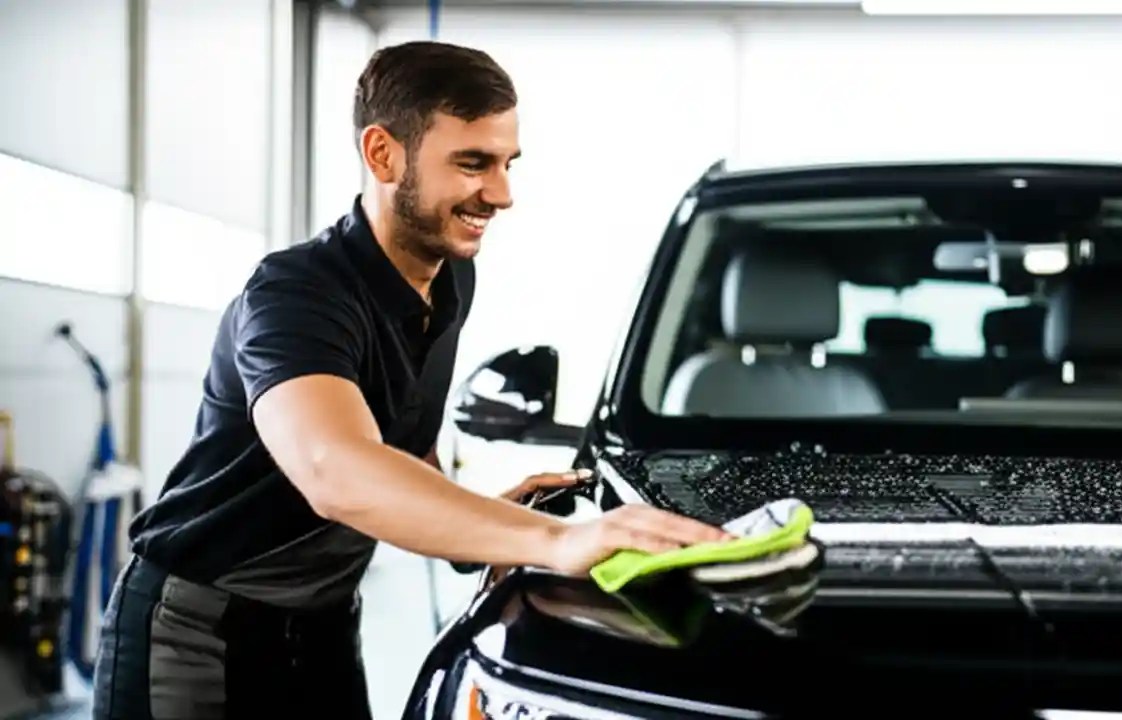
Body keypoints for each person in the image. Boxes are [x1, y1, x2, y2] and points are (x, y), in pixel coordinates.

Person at [90, 40, 730, 720]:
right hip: (199, 636)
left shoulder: (451, 277)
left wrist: (492, 519)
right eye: (473, 163)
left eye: (508, 163)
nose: (503, 194)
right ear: (382, 154)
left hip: (326, 628)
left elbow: (399, 449)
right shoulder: (296, 295)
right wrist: (556, 540)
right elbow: (335, 468)